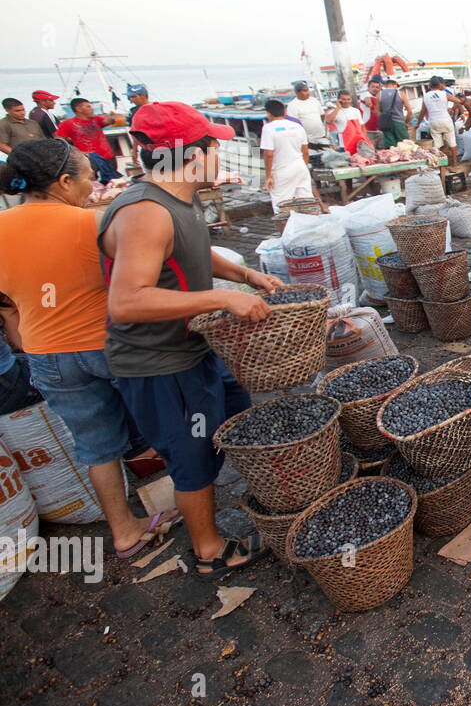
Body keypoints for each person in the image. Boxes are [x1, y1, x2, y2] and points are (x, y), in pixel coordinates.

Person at [99, 103, 283, 576]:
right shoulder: (145, 212)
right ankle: (208, 551)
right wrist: (221, 300)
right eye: (214, 145)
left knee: (238, 417)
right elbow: (127, 301)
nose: (221, 152)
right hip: (159, 363)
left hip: (196, 349)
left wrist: (244, 275)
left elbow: (194, 251)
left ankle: (265, 496)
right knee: (192, 452)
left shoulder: (182, 197)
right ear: (193, 153)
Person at [0, 138, 181, 557]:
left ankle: (124, 531)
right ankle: (191, 504)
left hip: (47, 356)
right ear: (64, 181)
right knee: (171, 424)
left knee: (96, 447)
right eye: (88, 177)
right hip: (113, 346)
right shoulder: (94, 224)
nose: (93, 186)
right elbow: (148, 276)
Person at [260, 99, 319, 211]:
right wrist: (304, 166)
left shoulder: (268, 128)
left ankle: (286, 227)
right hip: (300, 167)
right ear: (285, 112)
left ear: (269, 113)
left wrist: (268, 176)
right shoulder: (297, 126)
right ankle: (311, 224)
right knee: (306, 201)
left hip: (281, 170)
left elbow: (268, 154)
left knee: (282, 204)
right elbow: (305, 151)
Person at [55, 98, 124, 184]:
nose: (91, 109)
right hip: (90, 160)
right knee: (94, 183)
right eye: (88, 107)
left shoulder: (96, 119)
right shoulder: (67, 124)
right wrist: (75, 152)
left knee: (113, 182)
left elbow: (107, 121)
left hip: (109, 157)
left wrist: (112, 117)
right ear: (79, 109)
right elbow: (58, 141)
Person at [419, 76, 460, 164]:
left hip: (433, 121)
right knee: (452, 142)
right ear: (439, 85)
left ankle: (440, 162)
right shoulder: (444, 94)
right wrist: (452, 109)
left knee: (437, 145)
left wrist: (418, 123)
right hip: (445, 120)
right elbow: (458, 101)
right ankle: (455, 162)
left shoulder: (426, 96)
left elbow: (423, 111)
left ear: (430, 85)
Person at [285, 81, 330, 146]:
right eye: (305, 91)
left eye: (307, 90)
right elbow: (293, 124)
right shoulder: (292, 105)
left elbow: (322, 115)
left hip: (321, 136)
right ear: (297, 92)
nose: (308, 93)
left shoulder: (314, 100)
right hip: (307, 139)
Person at [377, 78, 413, 147]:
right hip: (399, 123)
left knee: (391, 147)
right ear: (395, 85)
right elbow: (410, 111)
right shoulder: (401, 94)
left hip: (386, 124)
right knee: (405, 146)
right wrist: (406, 122)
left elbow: (377, 111)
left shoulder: (379, 94)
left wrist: (383, 118)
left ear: (385, 84)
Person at [360, 76, 384, 148]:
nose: (375, 89)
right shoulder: (365, 94)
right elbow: (367, 100)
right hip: (368, 130)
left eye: (377, 87)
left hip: (377, 130)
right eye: (373, 87)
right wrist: (369, 102)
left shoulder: (377, 97)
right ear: (368, 87)